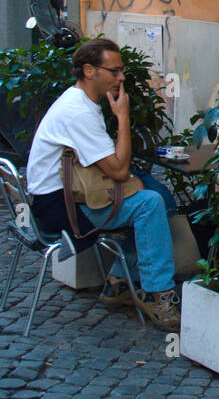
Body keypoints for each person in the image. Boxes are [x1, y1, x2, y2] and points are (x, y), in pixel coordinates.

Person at [26, 38, 180, 331]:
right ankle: (158, 294)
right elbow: (119, 170)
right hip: (61, 209)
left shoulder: (79, 100)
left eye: (121, 70)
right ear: (89, 71)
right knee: (150, 204)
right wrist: (122, 116)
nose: (121, 77)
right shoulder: (79, 112)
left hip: (66, 194)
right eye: (114, 71)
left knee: (151, 188)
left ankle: (120, 282)